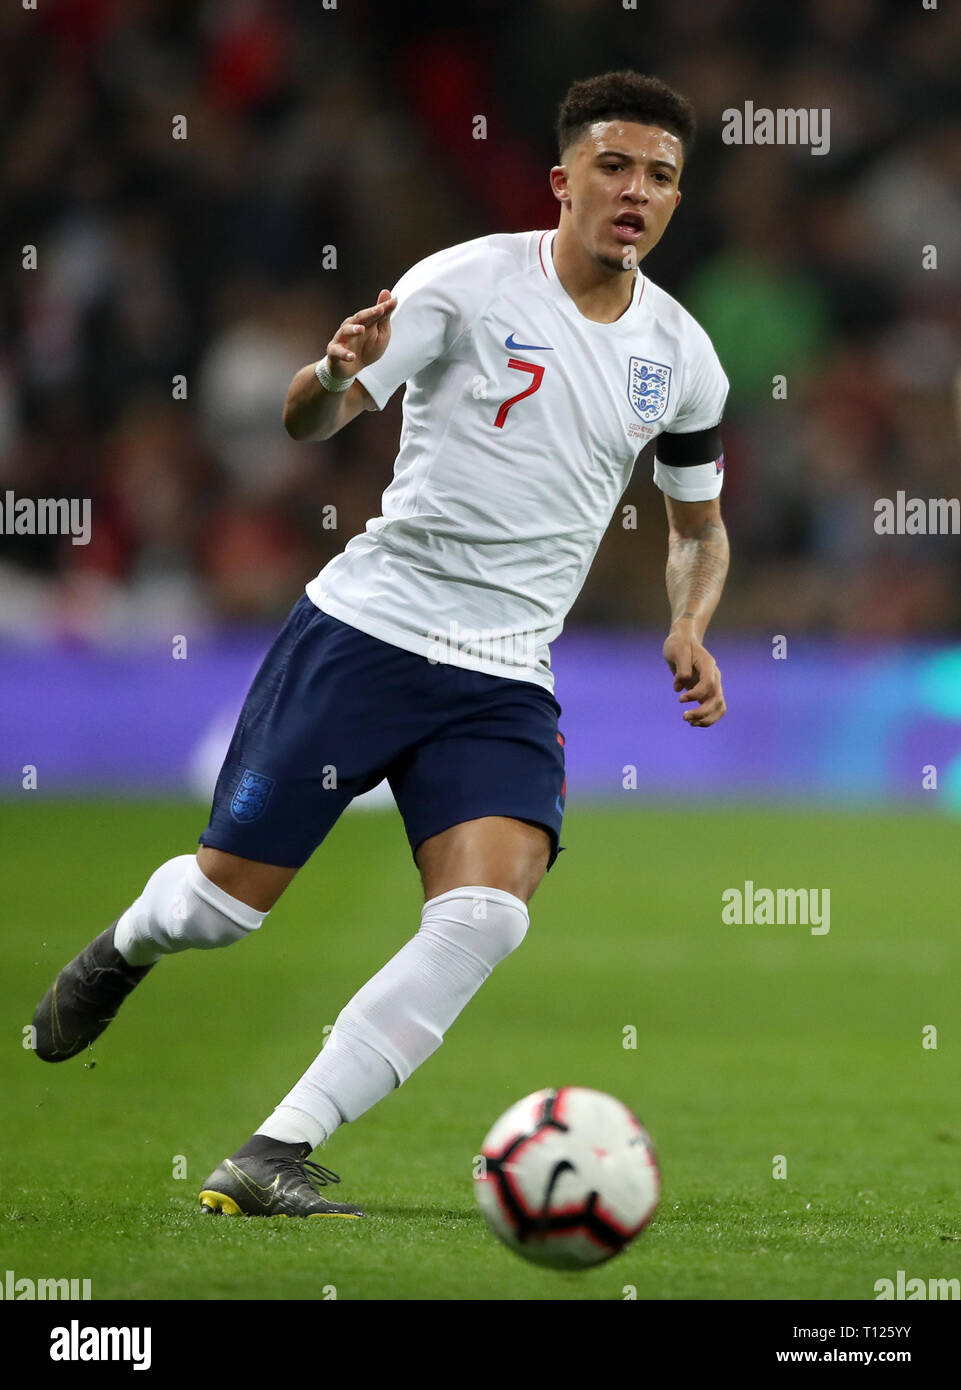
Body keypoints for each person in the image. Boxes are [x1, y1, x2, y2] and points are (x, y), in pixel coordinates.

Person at [33, 70, 730, 1220]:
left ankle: (273, 1148)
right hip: (368, 632)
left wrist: (689, 622)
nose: (636, 192)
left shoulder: (684, 357)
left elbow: (698, 526)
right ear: (562, 182)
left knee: (488, 914)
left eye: (659, 176)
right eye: (615, 166)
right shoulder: (463, 282)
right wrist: (336, 370)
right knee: (221, 907)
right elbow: (315, 416)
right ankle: (123, 945)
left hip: (505, 672)